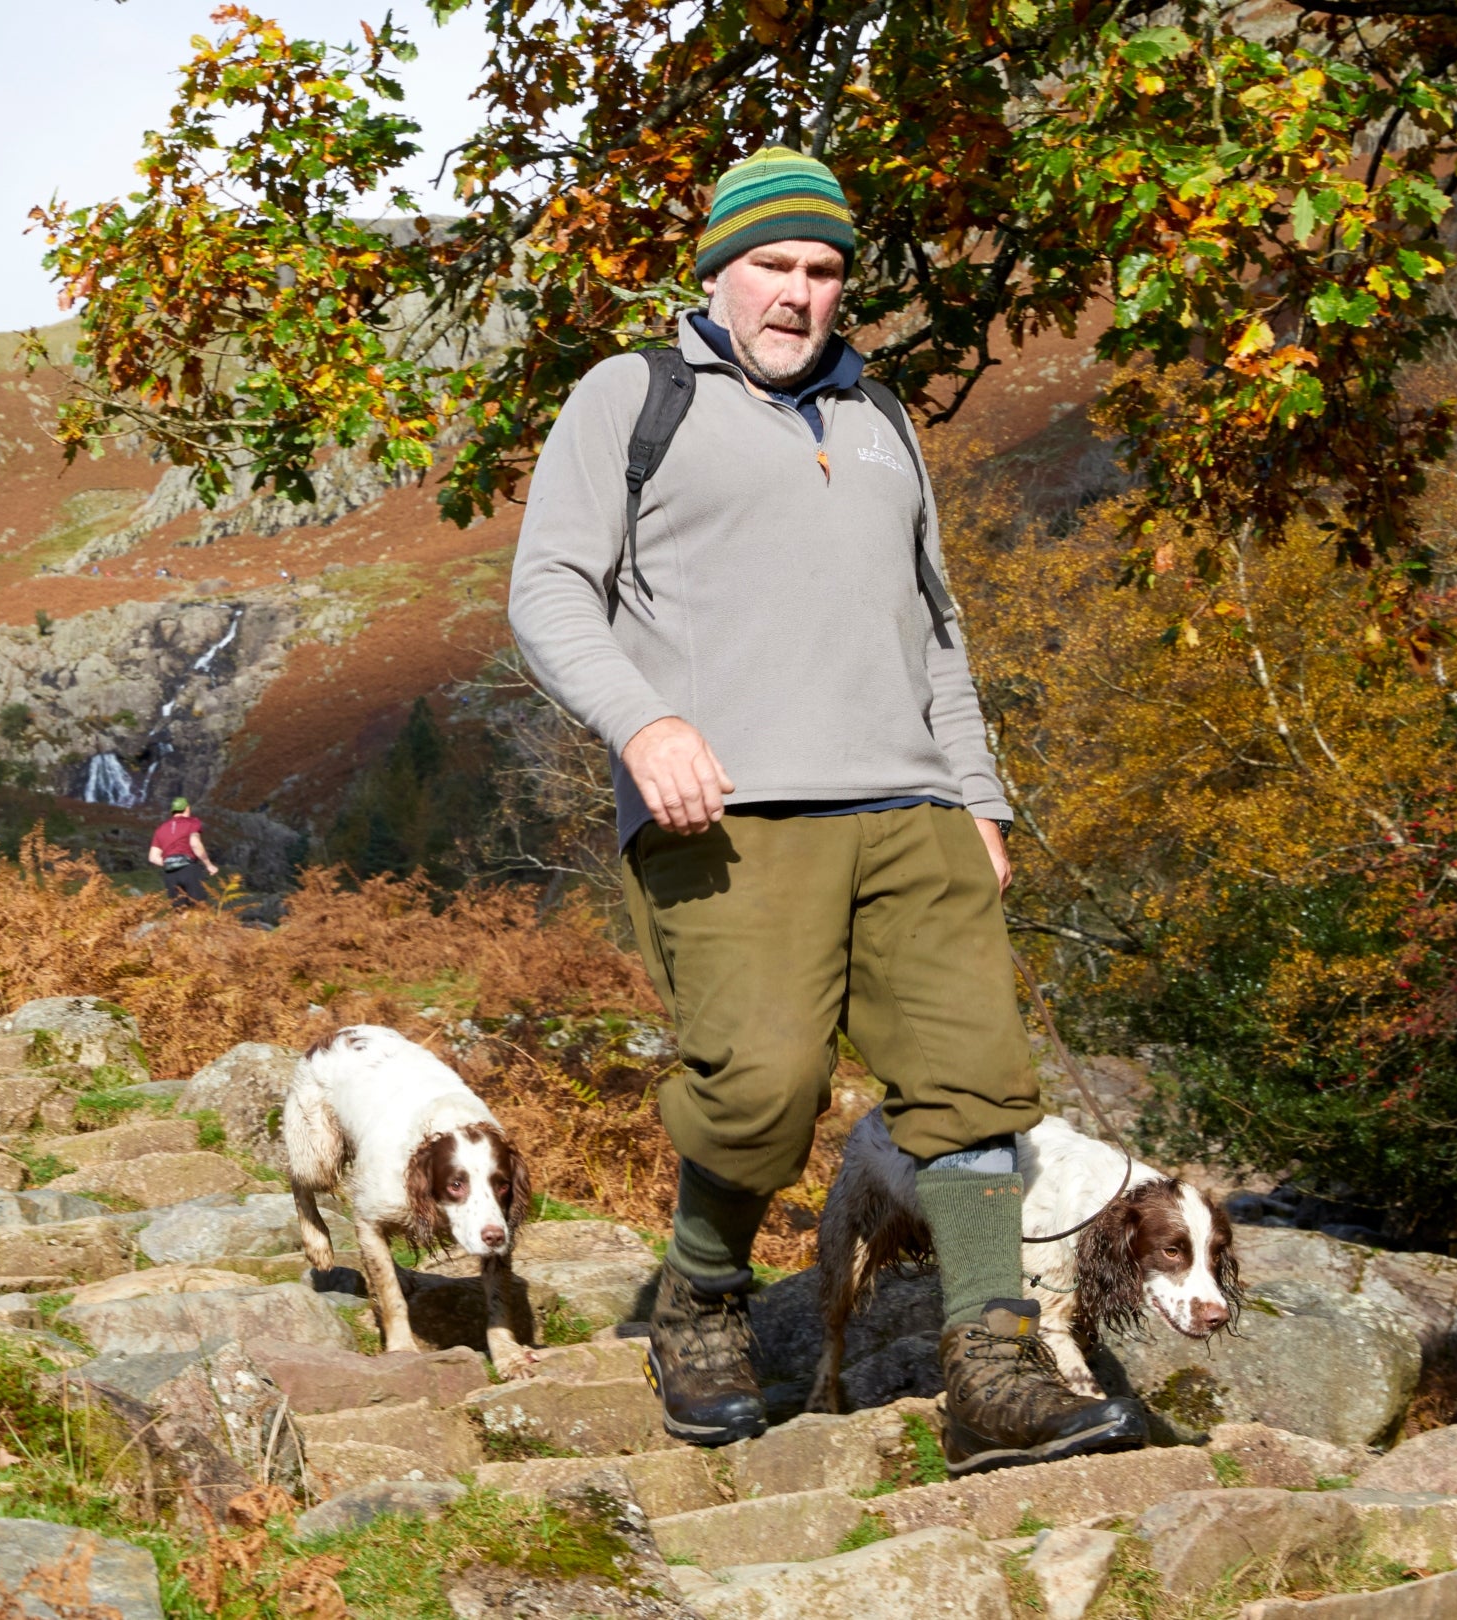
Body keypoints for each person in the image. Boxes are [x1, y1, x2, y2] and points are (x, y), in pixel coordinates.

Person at [507, 147, 1146, 1474]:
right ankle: (700, 1295)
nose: (797, 293)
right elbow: (550, 588)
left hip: (915, 805)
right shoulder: (634, 396)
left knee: (974, 1088)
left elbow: (935, 628)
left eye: (822, 270)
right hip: (727, 814)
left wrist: (978, 798)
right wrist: (645, 724)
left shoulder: (880, 418)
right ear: (719, 272)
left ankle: (991, 1371)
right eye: (773, 265)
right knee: (765, 1089)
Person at [147, 796, 218, 908]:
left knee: (179, 911)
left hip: (170, 874)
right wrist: (209, 865)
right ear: (187, 808)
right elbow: (195, 844)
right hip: (189, 870)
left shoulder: (160, 829)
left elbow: (153, 857)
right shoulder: (192, 823)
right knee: (199, 908)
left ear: (172, 811)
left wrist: (171, 862)